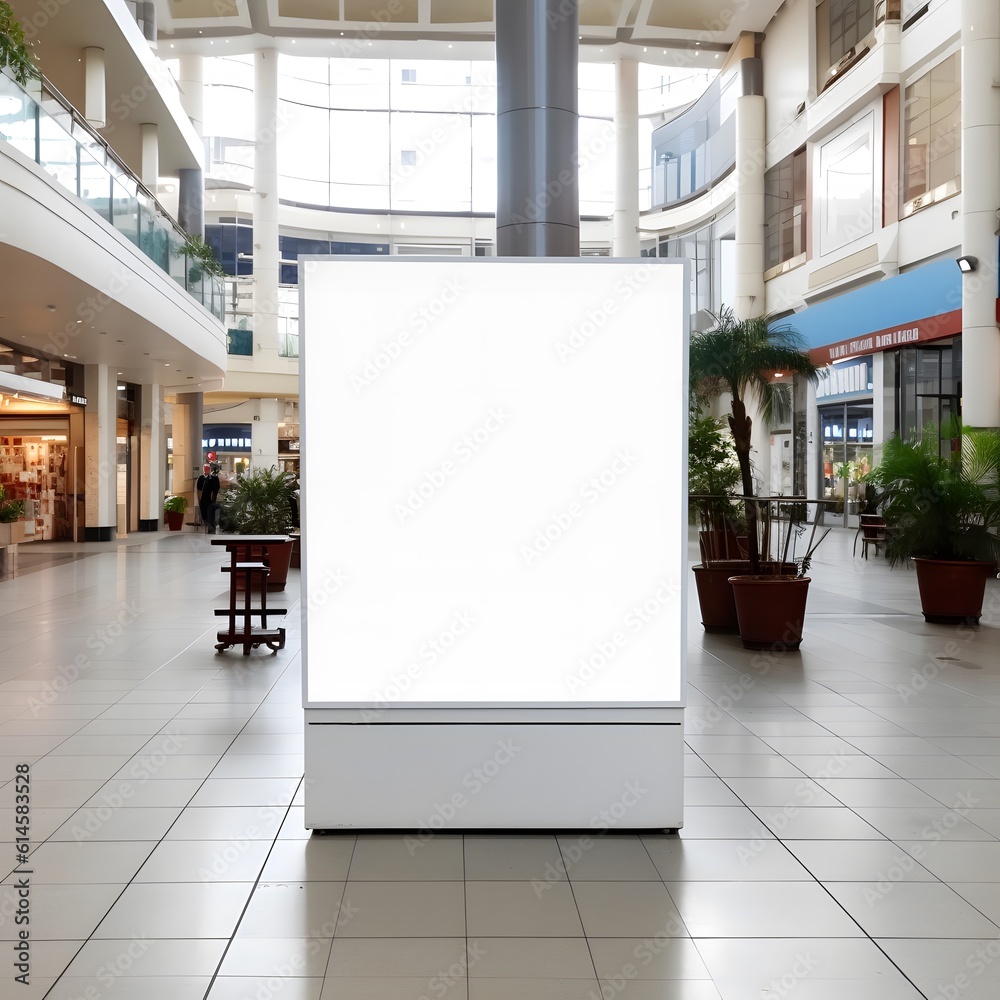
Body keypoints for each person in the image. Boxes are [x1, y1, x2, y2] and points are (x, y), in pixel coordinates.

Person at [199, 464, 221, 531]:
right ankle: (208, 525)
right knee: (205, 512)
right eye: (205, 469)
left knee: (210, 513)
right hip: (204, 499)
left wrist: (214, 499)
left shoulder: (214, 478)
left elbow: (216, 489)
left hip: (210, 499)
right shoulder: (201, 478)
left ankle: (211, 526)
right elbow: (199, 489)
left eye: (208, 469)